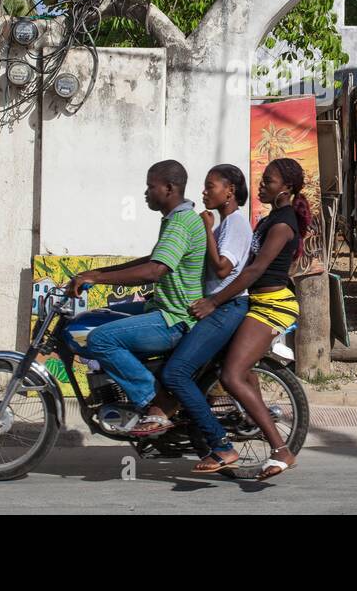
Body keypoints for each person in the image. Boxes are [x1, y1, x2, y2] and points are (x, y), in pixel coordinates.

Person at [187, 158, 308, 479]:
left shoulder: (283, 224)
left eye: (269, 181)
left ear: (287, 187)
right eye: (262, 180)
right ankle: (251, 416)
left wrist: (215, 301)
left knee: (231, 374)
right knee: (230, 364)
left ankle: (281, 450)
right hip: (256, 301)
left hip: (272, 305)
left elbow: (254, 270)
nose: (261, 186)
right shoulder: (270, 220)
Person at [67, 160, 206, 429]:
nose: (145, 193)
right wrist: (94, 274)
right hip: (162, 309)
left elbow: (153, 271)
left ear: (168, 188)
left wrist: (98, 278)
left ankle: (156, 398)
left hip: (175, 318)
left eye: (150, 186)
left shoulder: (180, 223)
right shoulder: (176, 219)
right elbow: (151, 259)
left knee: (101, 339)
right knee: (96, 316)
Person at [127, 165, 253, 452]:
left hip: (224, 307)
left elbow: (222, 269)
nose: (204, 192)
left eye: (211, 186)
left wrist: (206, 229)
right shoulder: (224, 225)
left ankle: (219, 444)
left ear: (229, 191)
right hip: (211, 305)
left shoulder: (236, 225)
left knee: (176, 373)